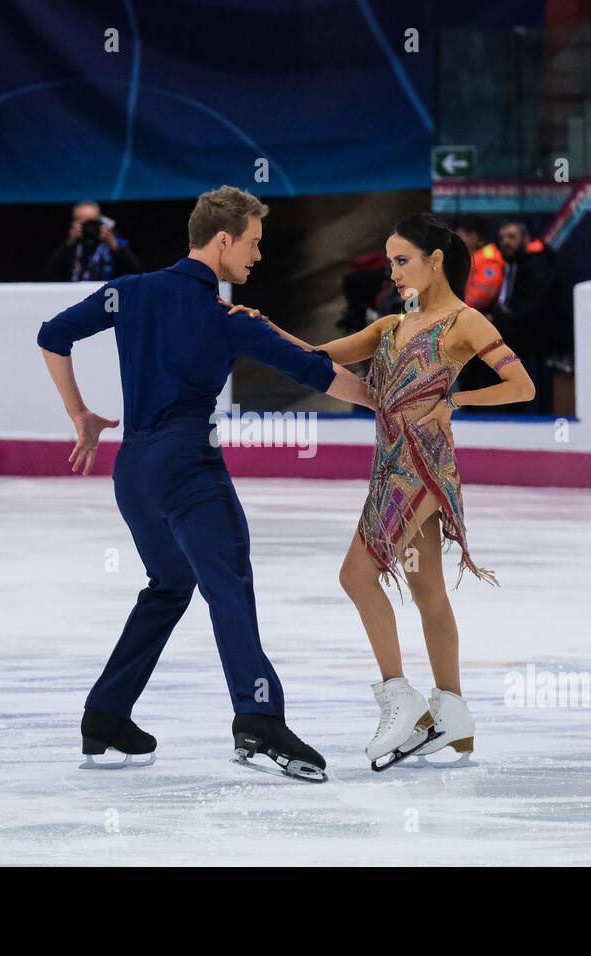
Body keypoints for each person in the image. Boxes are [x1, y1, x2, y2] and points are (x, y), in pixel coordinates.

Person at [36, 185, 374, 782]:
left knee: (169, 586)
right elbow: (319, 372)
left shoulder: (129, 292)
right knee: (229, 585)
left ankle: (106, 714)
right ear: (223, 240)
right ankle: (259, 720)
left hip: (133, 473)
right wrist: (388, 405)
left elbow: (52, 334)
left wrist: (81, 415)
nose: (257, 257)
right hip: (189, 467)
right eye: (252, 244)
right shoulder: (226, 319)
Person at [234, 214, 535, 770]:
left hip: (420, 468)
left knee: (355, 575)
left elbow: (522, 385)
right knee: (427, 591)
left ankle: (401, 698)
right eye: (391, 262)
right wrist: (263, 326)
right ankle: (453, 713)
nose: (394, 272)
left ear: (435, 260)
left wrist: (456, 402)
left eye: (402, 261)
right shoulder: (392, 327)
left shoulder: (465, 323)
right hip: (389, 466)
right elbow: (316, 354)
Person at [455, 220, 560, 414]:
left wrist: (496, 321)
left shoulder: (536, 265)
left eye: (512, 237)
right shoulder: (511, 264)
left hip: (529, 340)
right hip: (511, 332)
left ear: (525, 238)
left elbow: (529, 307)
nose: (506, 242)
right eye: (502, 237)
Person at [45, 200, 141, 282]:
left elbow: (136, 272)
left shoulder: (112, 244)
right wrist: (68, 244)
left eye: (92, 222)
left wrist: (114, 246)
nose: (89, 228)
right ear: (74, 223)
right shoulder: (69, 245)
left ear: (100, 221)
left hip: (107, 297)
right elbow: (49, 274)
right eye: (83, 222)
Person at [453, 214, 504, 313]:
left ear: (474, 236)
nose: (456, 242)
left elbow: (481, 296)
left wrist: (451, 309)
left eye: (460, 236)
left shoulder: (490, 259)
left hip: (473, 317)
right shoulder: (468, 255)